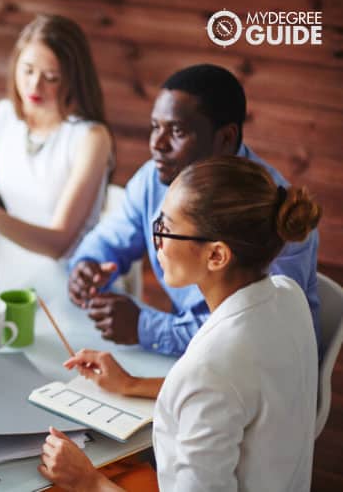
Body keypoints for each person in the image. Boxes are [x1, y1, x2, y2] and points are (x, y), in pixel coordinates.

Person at [40, 155, 320, 491]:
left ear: (216, 255)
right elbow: (236, 396)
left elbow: (214, 386)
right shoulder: (287, 295)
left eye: (167, 228)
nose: (156, 239)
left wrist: (88, 481)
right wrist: (131, 384)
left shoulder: (211, 370)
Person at [68, 64, 320, 356]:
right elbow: (112, 237)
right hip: (201, 360)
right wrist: (88, 265)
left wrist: (146, 327)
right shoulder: (154, 178)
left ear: (225, 138)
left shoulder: (270, 211)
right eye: (155, 127)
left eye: (176, 130)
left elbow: (257, 336)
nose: (157, 144)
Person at [0, 14, 113, 259]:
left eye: (51, 78)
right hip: (14, 258)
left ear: (73, 79)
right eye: (27, 71)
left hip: (74, 271)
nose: (35, 86)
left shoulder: (92, 138)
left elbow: (58, 244)